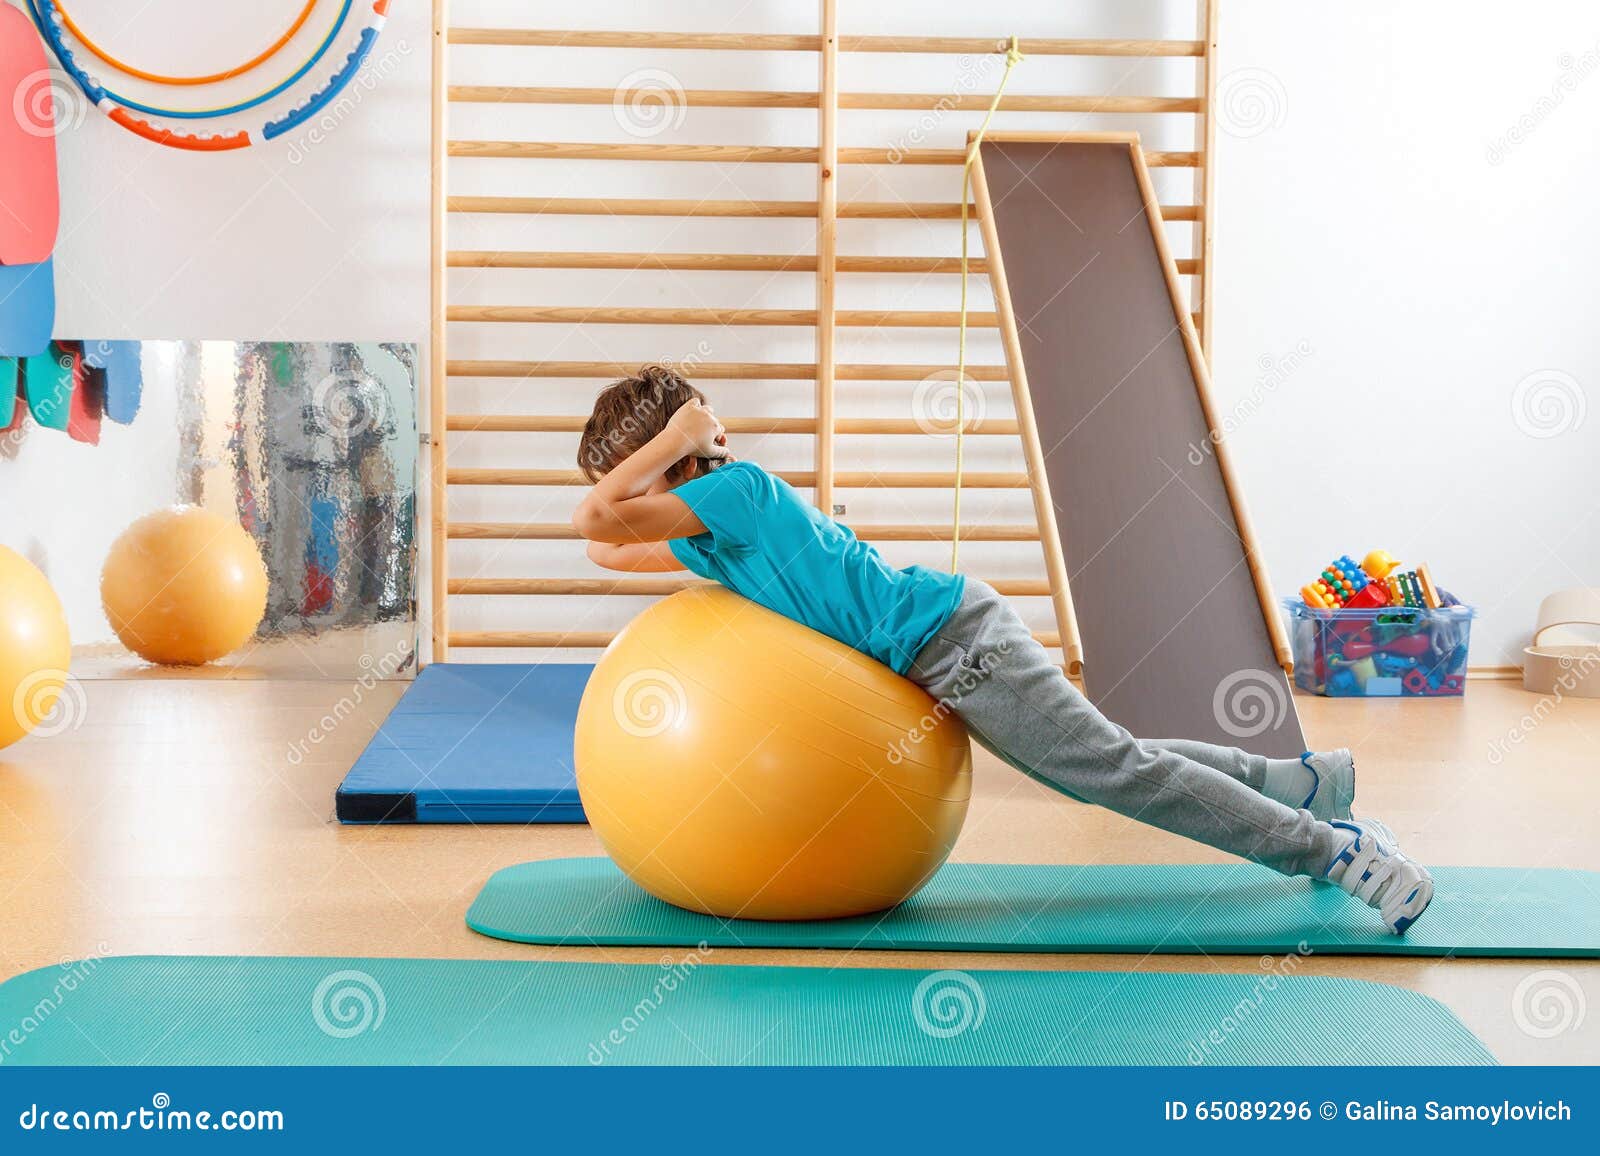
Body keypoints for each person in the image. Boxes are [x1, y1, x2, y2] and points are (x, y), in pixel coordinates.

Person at [571, 365, 1433, 934]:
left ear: (664, 461)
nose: (621, 488)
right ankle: (1304, 783)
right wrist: (669, 446)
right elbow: (604, 540)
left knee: (1109, 771)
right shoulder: (704, 534)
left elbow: (595, 521)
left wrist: (683, 439)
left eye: (632, 466)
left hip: (955, 643)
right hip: (940, 645)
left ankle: (1334, 852)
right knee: (1100, 761)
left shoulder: (738, 492)